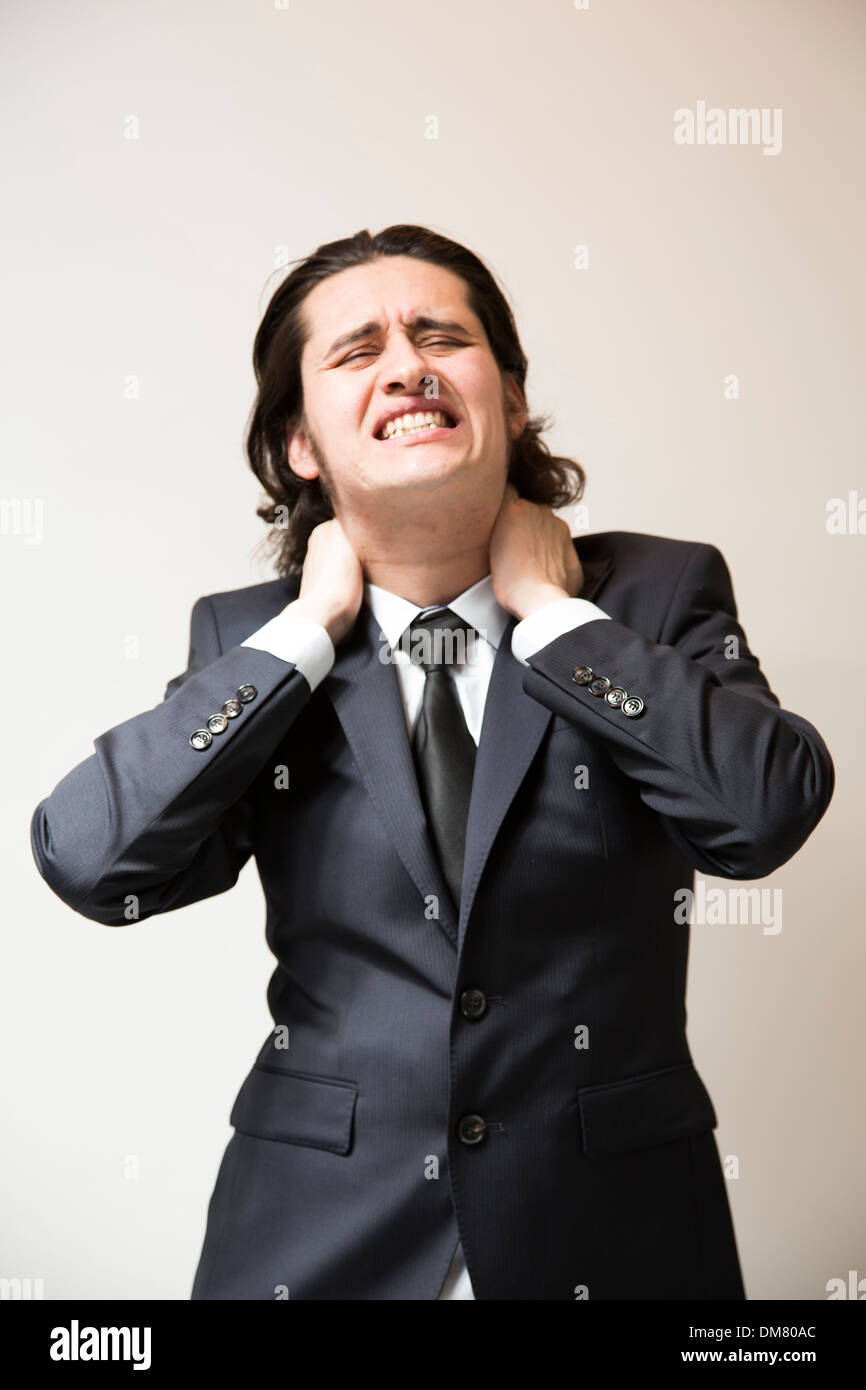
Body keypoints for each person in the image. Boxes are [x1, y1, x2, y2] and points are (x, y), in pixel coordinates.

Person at [30, 224, 834, 1300]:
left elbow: (761, 810)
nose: (406, 363)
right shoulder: (251, 642)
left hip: (615, 1241)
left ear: (505, 396)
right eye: (357, 351)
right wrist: (307, 628)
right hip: (316, 1243)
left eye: (439, 336)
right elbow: (91, 859)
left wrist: (553, 618)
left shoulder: (651, 596)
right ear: (299, 444)